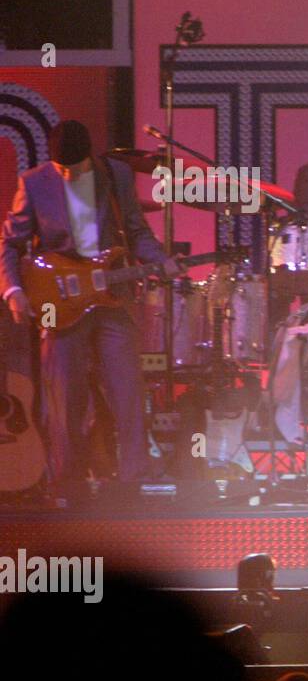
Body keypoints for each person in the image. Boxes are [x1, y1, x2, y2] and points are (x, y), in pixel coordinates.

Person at [1, 120, 177, 504]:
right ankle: (69, 485)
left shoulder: (115, 175)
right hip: (60, 298)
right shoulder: (33, 182)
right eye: (61, 168)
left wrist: (161, 260)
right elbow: (11, 243)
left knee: (127, 389)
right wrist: (13, 289)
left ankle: (133, 481)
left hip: (111, 296)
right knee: (64, 397)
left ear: (90, 158)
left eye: (75, 168)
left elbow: (136, 229)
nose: (68, 174)